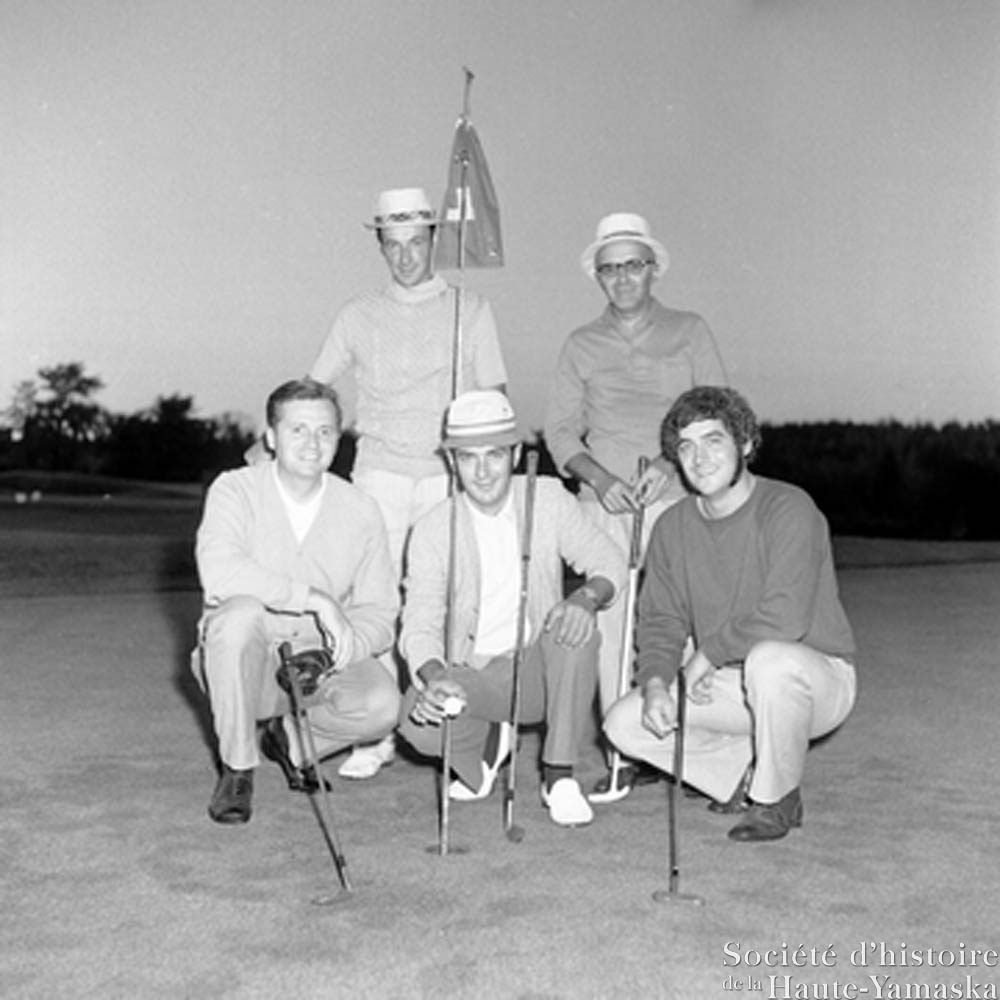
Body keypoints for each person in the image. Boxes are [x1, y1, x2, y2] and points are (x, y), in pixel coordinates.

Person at [308, 187, 509, 779]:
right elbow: (317, 387)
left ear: (434, 242)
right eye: (392, 246)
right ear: (380, 246)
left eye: (415, 243)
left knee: (448, 597)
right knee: (375, 599)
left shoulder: (468, 308)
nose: (404, 257)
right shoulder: (358, 313)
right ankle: (377, 733)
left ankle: (457, 719)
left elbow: (494, 392)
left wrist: (484, 463)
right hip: (378, 469)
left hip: (450, 472)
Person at [604, 387, 857, 841]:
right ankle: (744, 773)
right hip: (730, 681)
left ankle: (776, 798)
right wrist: (659, 683)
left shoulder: (789, 507)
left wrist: (703, 659)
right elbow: (661, 620)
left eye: (713, 441)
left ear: (744, 444)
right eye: (686, 447)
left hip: (814, 677)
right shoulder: (673, 526)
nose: (699, 458)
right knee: (623, 723)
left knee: (770, 660)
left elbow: (785, 619)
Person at [544, 211, 728, 798]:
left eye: (633, 265)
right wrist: (599, 480)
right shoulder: (580, 343)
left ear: (652, 270)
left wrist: (673, 467)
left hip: (676, 497)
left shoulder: (690, 329)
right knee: (611, 618)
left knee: (687, 618)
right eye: (610, 268)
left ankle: (697, 746)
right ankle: (623, 750)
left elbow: (717, 410)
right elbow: (560, 432)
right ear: (597, 276)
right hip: (605, 501)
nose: (622, 278)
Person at [397, 390, 626, 827]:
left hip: (538, 672)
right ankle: (486, 745)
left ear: (516, 454)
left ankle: (559, 776)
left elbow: (609, 561)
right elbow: (419, 623)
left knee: (575, 627)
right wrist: (435, 676)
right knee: (415, 719)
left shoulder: (549, 499)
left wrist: (585, 597)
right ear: (451, 463)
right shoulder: (430, 529)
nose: (482, 472)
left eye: (495, 456)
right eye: (468, 458)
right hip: (471, 675)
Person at [193, 379, 400, 824]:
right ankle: (237, 768)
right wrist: (316, 600)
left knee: (383, 705)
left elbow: (381, 611)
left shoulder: (361, 509)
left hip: (314, 665)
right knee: (237, 617)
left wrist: (331, 653)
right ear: (271, 437)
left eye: (325, 431)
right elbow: (221, 572)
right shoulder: (234, 490)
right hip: (243, 660)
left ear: (338, 438)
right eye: (297, 430)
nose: (312, 444)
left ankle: (290, 741)